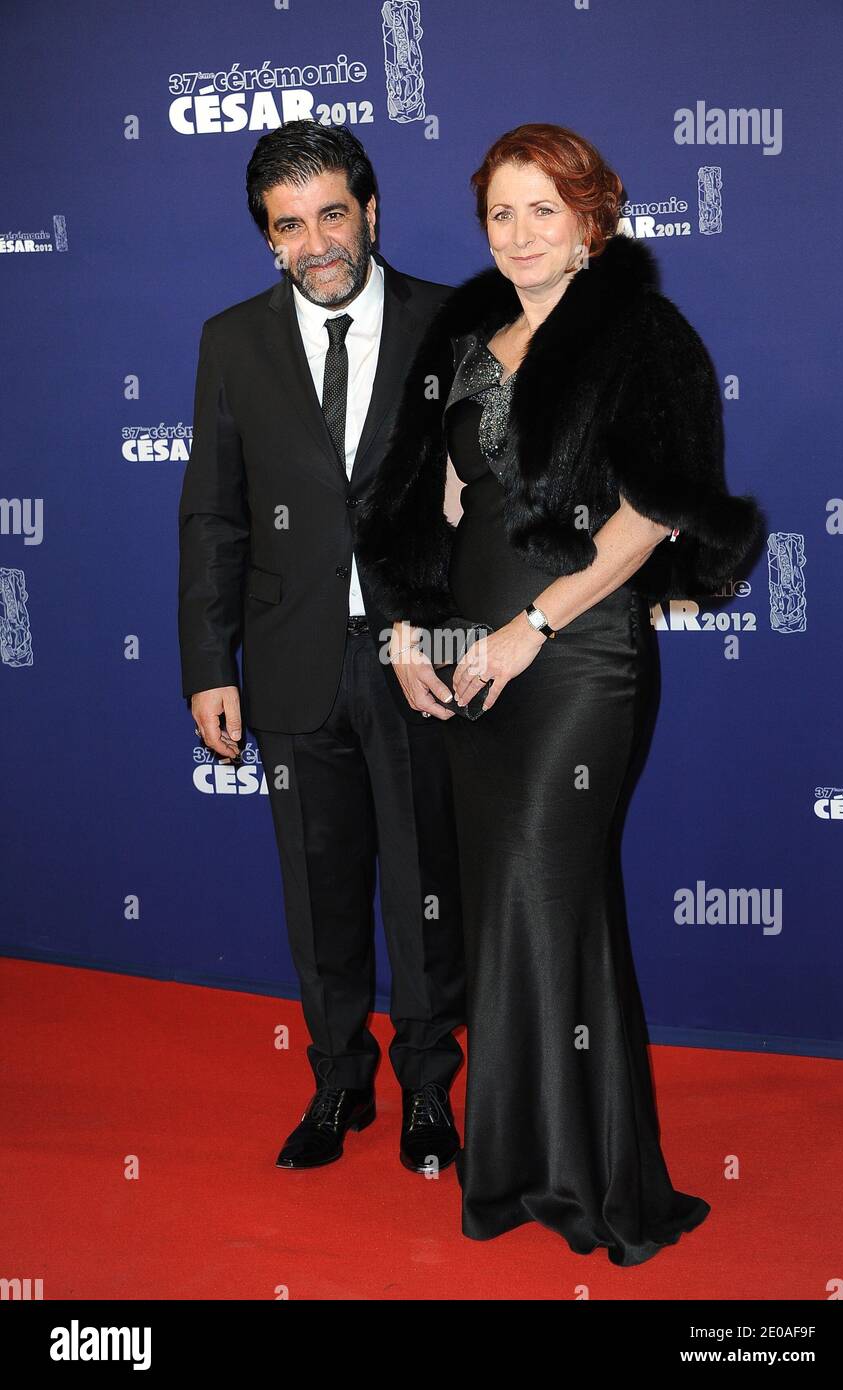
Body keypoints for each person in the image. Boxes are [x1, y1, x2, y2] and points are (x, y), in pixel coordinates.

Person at [356, 123, 763, 1264]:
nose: (521, 233)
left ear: (592, 219)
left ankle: (589, 1180)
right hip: (471, 648)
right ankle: (534, 1162)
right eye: (501, 212)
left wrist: (533, 625)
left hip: (576, 652)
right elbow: (426, 502)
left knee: (542, 884)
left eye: (545, 209)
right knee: (516, 905)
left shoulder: (641, 332)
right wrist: (413, 629)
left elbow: (654, 513)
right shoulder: (467, 331)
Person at [178, 123, 466, 1175]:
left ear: (371, 213)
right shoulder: (231, 341)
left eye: (331, 214)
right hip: (293, 661)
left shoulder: (448, 324)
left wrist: (437, 629)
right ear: (268, 240)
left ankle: (430, 1088)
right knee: (319, 886)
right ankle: (339, 1083)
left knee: (428, 883)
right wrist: (209, 663)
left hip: (415, 660)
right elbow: (213, 515)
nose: (316, 243)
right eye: (288, 225)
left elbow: (473, 511)